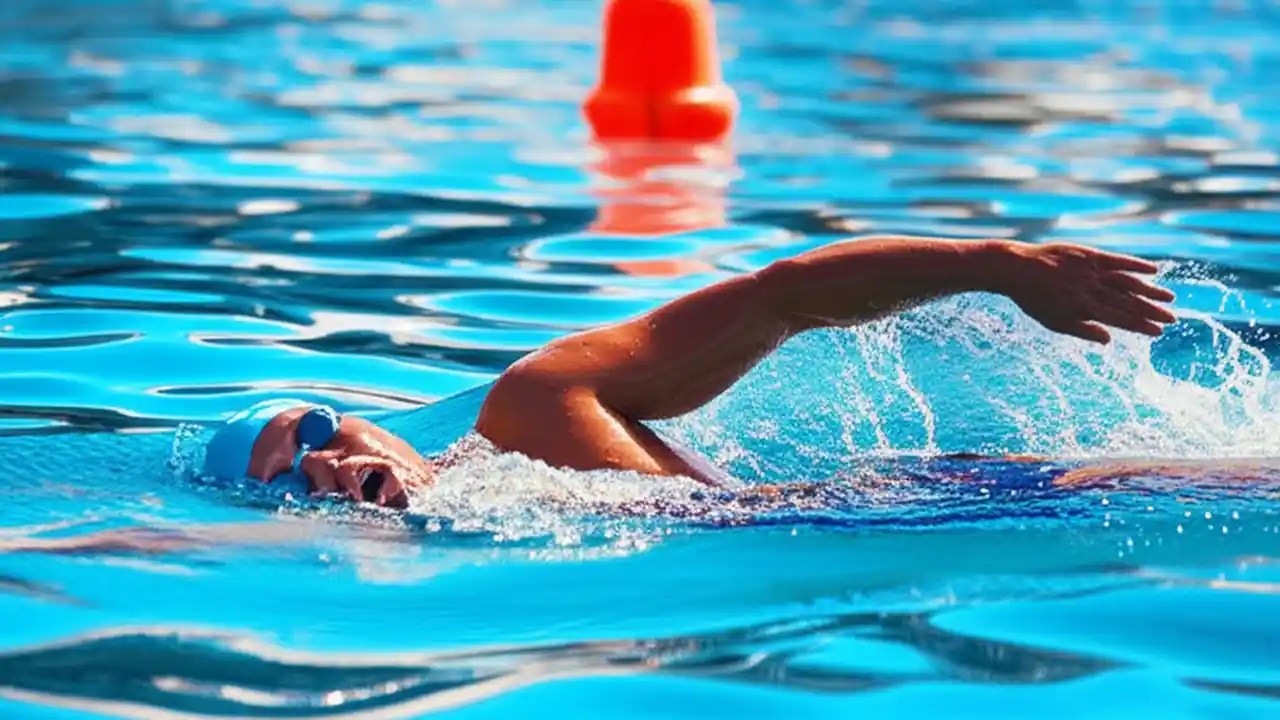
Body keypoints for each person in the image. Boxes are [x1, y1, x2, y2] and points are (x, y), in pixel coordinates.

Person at [203, 235, 1177, 509]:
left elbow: (775, 298)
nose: (319, 465)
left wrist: (995, 268)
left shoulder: (535, 413)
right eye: (289, 474)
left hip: (944, 497)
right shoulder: (430, 544)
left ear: (380, 428)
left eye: (319, 432)